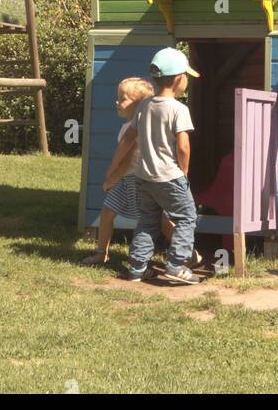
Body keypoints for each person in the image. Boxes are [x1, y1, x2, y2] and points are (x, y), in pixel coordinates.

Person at [126, 48, 200, 286]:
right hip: (169, 176)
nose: (187, 80)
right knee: (187, 217)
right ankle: (176, 265)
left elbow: (132, 134)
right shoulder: (179, 109)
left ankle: (137, 268)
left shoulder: (145, 105)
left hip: (143, 177)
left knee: (147, 221)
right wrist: (184, 171)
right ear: (178, 79)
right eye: (186, 76)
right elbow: (183, 146)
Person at [80, 76, 171, 265]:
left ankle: (187, 252)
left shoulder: (137, 129)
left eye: (123, 98)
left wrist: (110, 179)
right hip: (127, 181)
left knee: (161, 222)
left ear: (140, 104)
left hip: (141, 182)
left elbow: (130, 161)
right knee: (107, 212)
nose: (117, 102)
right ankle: (101, 252)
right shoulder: (127, 127)